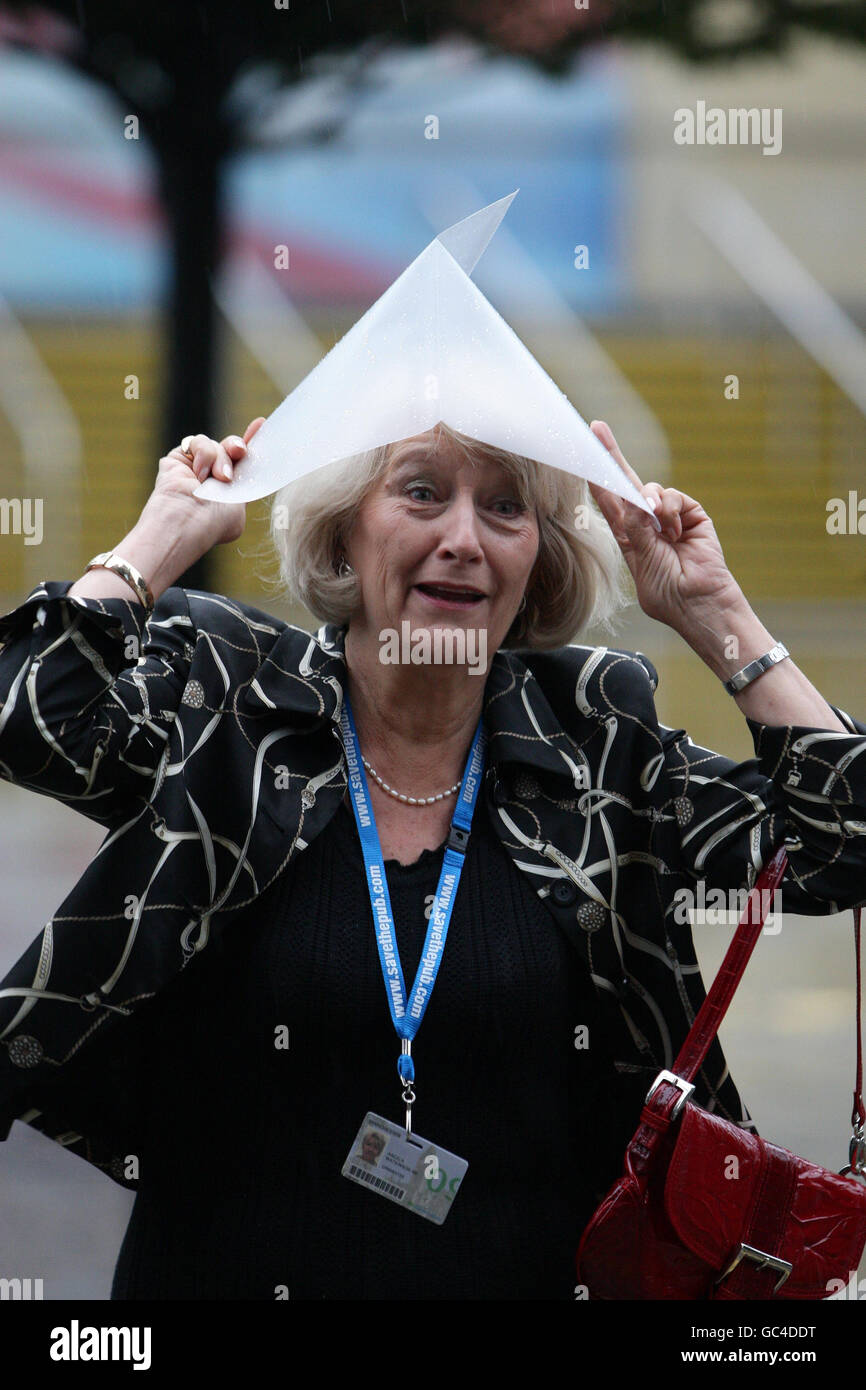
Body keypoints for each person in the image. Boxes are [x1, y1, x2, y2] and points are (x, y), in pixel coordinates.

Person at [0, 414, 864, 1302]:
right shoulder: (229, 699)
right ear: (344, 530)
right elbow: (30, 723)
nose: (462, 539)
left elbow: (845, 845)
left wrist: (713, 612)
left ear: (539, 559)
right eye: (422, 492)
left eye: (504, 509)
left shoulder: (599, 738)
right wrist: (160, 537)